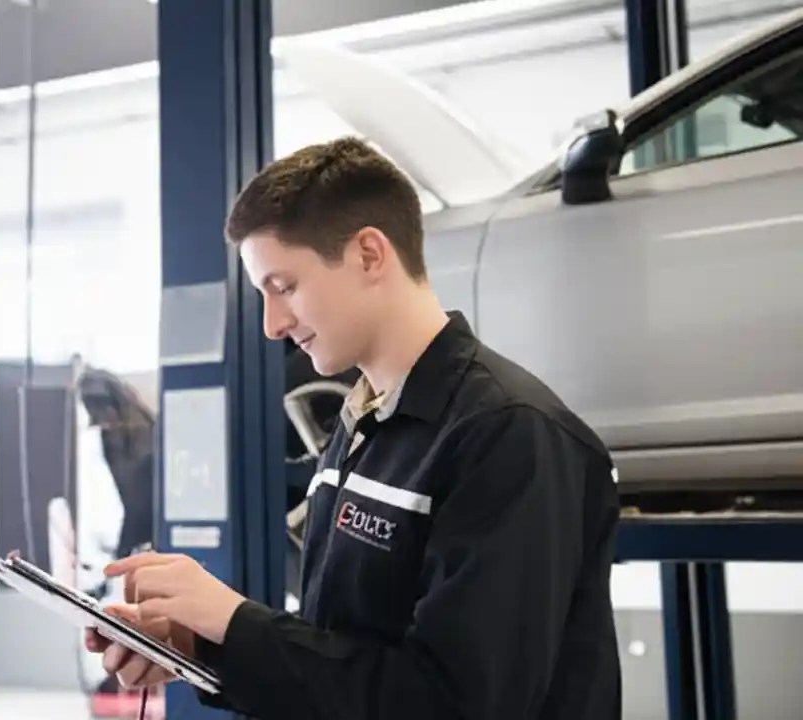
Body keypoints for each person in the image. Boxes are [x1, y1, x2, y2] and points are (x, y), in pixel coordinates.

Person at [85, 137, 622, 719]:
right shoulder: (363, 422)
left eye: (283, 287)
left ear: (369, 254)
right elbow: (345, 655)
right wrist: (207, 647)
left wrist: (236, 621)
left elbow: (456, 704)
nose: (272, 325)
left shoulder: (510, 435)